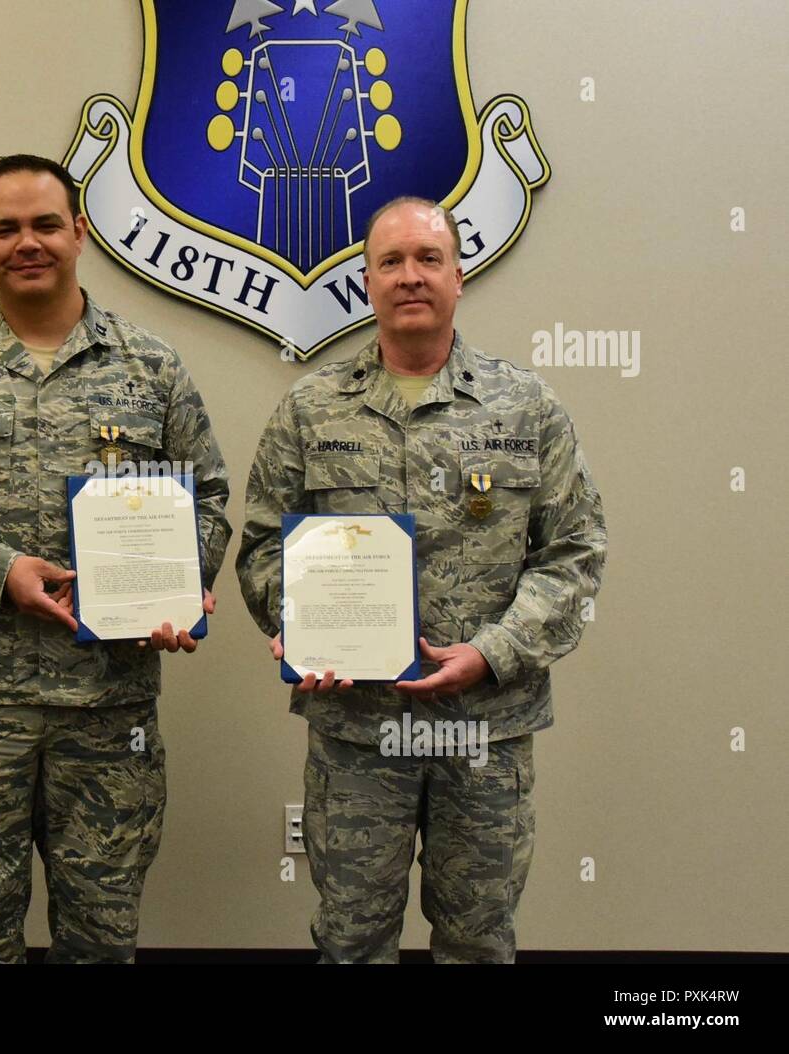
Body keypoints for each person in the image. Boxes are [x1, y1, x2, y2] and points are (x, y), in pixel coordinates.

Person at [0, 154, 231, 963]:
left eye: (45, 224)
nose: (27, 243)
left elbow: (207, 500)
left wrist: (180, 588)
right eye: (6, 228)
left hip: (108, 713)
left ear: (79, 233)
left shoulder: (151, 368)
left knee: (101, 938)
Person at [236, 197, 607, 963]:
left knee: (477, 940)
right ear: (366, 281)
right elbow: (263, 546)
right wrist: (296, 619)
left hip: (484, 726)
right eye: (392, 261)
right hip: (356, 731)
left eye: (428, 259)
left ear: (458, 277)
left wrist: (496, 651)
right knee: (351, 938)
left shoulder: (526, 407)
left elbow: (573, 553)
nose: (411, 276)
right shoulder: (310, 409)